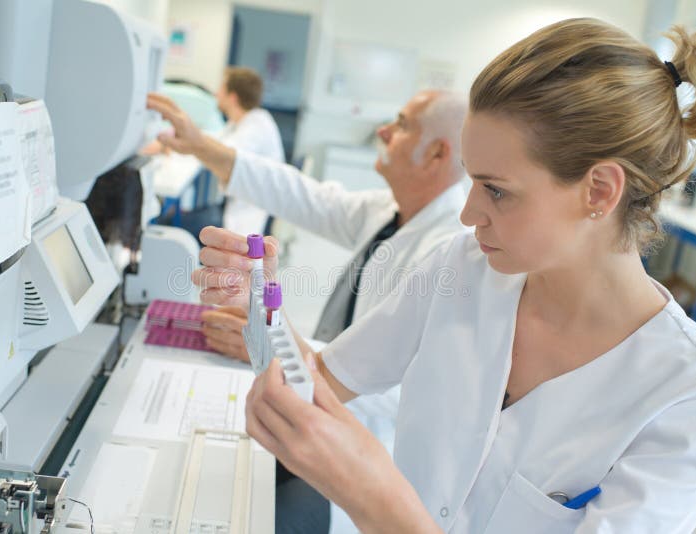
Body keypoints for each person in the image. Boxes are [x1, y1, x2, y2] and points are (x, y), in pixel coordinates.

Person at [165, 18, 696, 533]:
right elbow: (320, 386)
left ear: (599, 191)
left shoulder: (686, 392)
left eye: (497, 190)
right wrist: (264, 303)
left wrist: (375, 498)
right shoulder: (462, 269)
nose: (467, 212)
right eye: (473, 182)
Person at [148, 89, 468, 532]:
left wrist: (283, 343)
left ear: (436, 153)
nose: (382, 130)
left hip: (368, 463)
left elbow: (409, 389)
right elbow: (306, 197)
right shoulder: (396, 211)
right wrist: (201, 145)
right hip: (318, 417)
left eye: (401, 124)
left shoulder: (454, 248)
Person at [214, 66, 285, 235]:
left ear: (232, 97)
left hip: (253, 211)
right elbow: (215, 141)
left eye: (221, 89)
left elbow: (221, 152)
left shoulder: (257, 126)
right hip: (243, 201)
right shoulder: (241, 122)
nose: (216, 94)